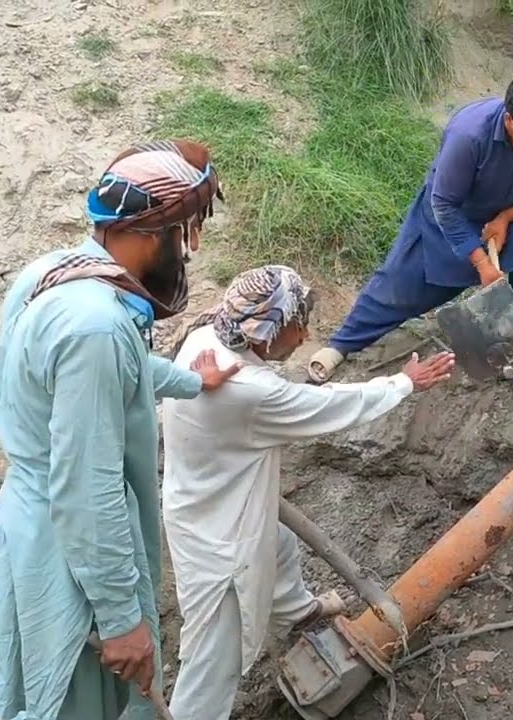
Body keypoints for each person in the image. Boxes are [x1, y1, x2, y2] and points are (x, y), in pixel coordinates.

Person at [0, 139, 240, 720]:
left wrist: (192, 381)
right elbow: (87, 486)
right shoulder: (96, 328)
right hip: (72, 557)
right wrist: (122, 619)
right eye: (185, 233)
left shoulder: (54, 273)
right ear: (152, 235)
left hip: (34, 529)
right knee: (77, 703)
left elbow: (114, 372)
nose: (189, 251)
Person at [160, 265, 455, 720]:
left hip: (204, 499)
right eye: (297, 325)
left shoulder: (206, 339)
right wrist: (404, 383)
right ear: (267, 329)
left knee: (278, 543)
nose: (304, 335)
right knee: (212, 663)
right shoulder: (250, 392)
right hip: (220, 546)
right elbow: (330, 406)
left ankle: (297, 611)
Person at [307, 64, 513, 416]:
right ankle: (342, 343)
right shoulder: (469, 135)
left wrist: (507, 217)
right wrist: (481, 262)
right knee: (402, 283)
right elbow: (444, 204)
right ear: (511, 121)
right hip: (457, 211)